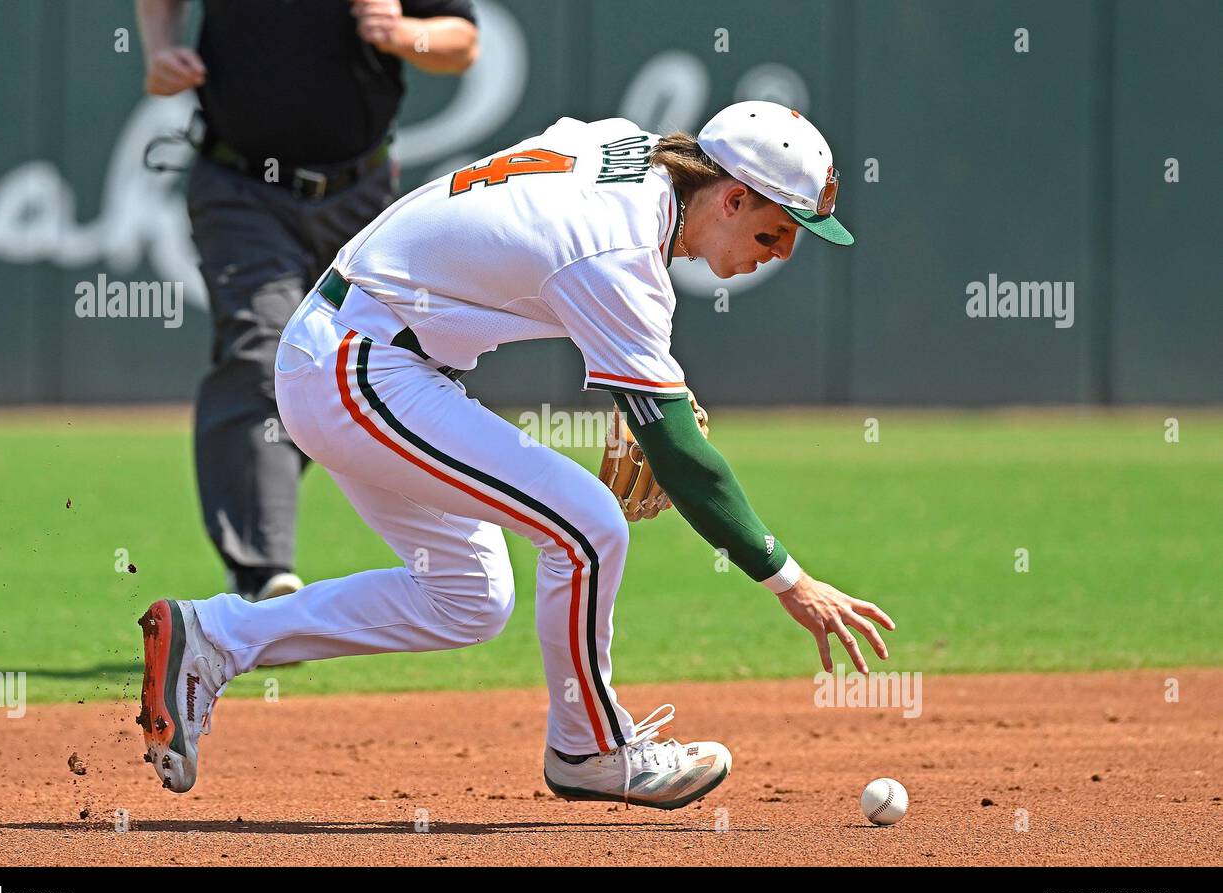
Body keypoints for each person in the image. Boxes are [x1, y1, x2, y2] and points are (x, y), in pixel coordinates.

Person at [136, 101, 896, 810]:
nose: (780, 253)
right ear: (731, 199)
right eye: (775, 231)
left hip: (361, 351)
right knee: (590, 526)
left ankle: (215, 638)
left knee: (467, 597)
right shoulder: (622, 248)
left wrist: (656, 397)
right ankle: (591, 751)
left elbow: (542, 242)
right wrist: (790, 582)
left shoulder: (623, 147)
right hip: (359, 367)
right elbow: (684, 458)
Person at [135, 0, 479, 602]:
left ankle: (448, 557)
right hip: (239, 186)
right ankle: (261, 571)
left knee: (367, 362)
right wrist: (160, 48)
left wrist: (404, 33)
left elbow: (461, 45)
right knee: (259, 352)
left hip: (362, 191)